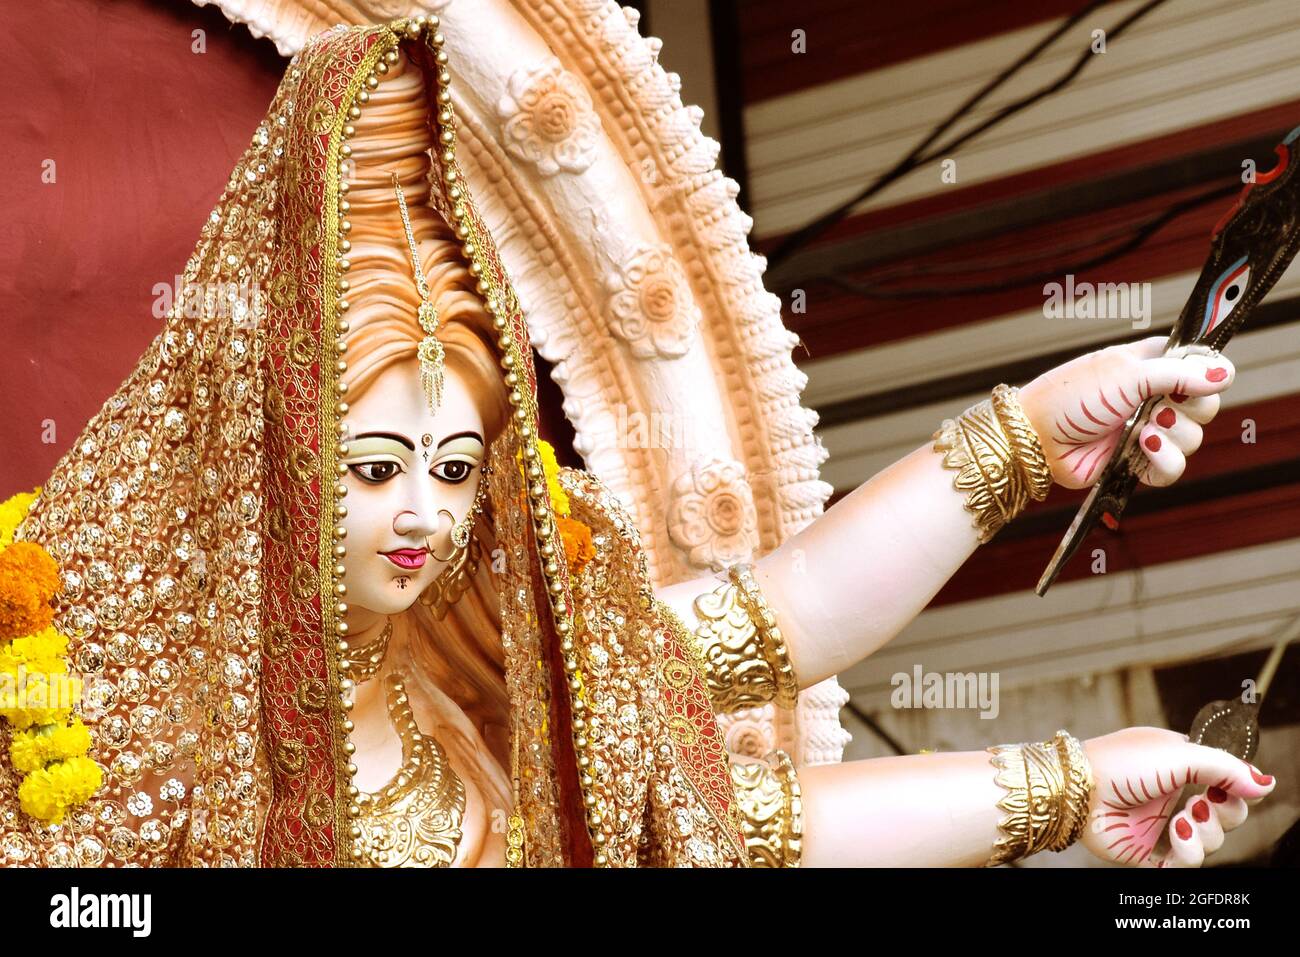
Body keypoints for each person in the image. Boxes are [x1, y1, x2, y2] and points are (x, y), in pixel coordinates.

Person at [0, 16, 1275, 868]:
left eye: (454, 472)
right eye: (376, 469)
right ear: (259, 465)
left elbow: (774, 655)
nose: (425, 517)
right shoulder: (95, 747)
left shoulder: (478, 702)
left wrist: (1033, 443)